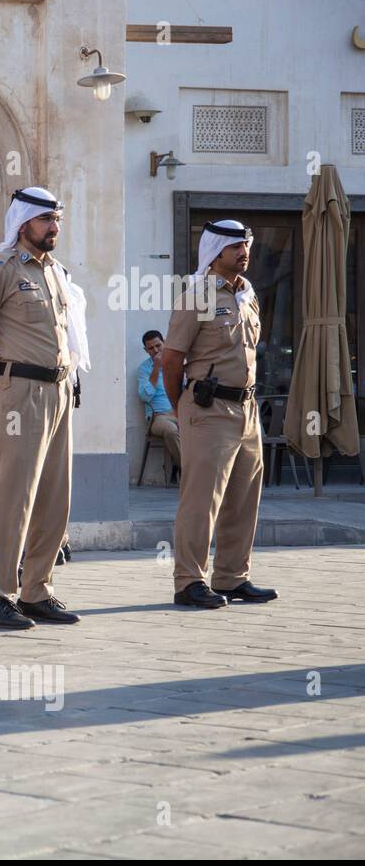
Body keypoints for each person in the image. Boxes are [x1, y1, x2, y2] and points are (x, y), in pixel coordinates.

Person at [0, 187, 89, 629]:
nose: (54, 228)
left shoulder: (55, 271)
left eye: (58, 219)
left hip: (57, 391)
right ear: (24, 223)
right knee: (11, 496)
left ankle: (38, 590)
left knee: (55, 498)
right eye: (46, 220)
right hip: (19, 392)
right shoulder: (0, 266)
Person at [160, 219, 276, 608]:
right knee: (201, 499)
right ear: (215, 252)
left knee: (244, 497)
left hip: (245, 407)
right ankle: (189, 580)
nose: (244, 252)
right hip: (208, 408)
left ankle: (231, 576)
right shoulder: (197, 295)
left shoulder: (247, 294)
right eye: (235, 247)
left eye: (246, 245)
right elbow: (172, 360)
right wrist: (182, 407)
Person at [137, 329, 181, 483]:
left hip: (179, 413)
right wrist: (156, 368)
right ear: (146, 350)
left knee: (203, 426)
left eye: (158, 346)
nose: (155, 350)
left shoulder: (177, 364)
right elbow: (144, 396)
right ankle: (189, 471)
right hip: (158, 417)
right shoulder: (144, 369)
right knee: (171, 430)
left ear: (165, 343)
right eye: (151, 348)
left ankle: (189, 467)